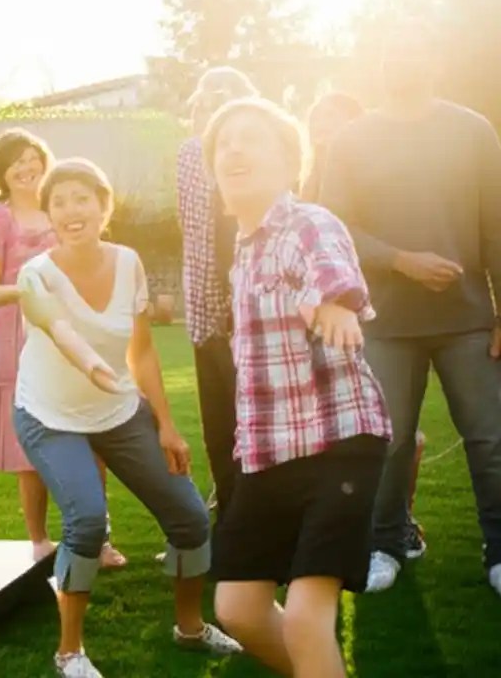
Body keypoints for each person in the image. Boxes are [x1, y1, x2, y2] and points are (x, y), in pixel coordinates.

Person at [13, 158, 240, 677]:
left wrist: (165, 422)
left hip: (117, 410)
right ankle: (69, 652)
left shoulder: (128, 262)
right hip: (50, 416)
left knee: (190, 517)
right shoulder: (36, 274)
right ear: (49, 213)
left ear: (103, 205)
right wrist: (92, 365)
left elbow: (142, 351)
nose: (71, 210)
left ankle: (189, 629)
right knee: (88, 521)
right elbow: (60, 332)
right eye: (59, 201)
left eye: (81, 198)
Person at [203, 97, 391, 678]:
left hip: (337, 441)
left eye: (250, 138)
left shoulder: (307, 222)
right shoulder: (240, 255)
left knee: (309, 618)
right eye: (223, 142)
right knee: (237, 606)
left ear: (290, 164)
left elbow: (328, 272)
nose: (233, 148)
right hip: (269, 451)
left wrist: (336, 305)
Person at [319, 25, 501, 596]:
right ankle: (384, 543)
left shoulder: (473, 131)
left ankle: (500, 550)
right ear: (379, 64)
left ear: (435, 61)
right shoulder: (350, 140)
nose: (405, 59)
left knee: (491, 437)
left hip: (469, 320)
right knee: (389, 442)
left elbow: (496, 224)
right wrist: (400, 259)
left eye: (417, 49)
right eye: (394, 50)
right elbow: (334, 226)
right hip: (386, 322)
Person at [0, 128, 126, 566]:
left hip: (73, 337)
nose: (25, 168)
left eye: (32, 158)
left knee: (89, 431)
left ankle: (98, 540)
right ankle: (39, 541)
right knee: (31, 443)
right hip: (17, 341)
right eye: (15, 161)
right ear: (2, 172)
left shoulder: (62, 208)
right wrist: (30, 290)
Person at [303, 91, 431, 539]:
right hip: (314, 323)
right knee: (327, 427)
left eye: (333, 120)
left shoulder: (369, 179)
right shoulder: (301, 183)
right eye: (316, 119)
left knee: (387, 422)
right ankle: (342, 524)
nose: (323, 128)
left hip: (372, 318)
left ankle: (399, 522)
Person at [176, 66, 259, 518]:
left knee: (246, 420)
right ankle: (232, 510)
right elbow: (196, 235)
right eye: (206, 102)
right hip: (214, 312)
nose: (210, 109)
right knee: (226, 421)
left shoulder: (250, 157)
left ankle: (248, 513)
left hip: (243, 310)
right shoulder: (191, 155)